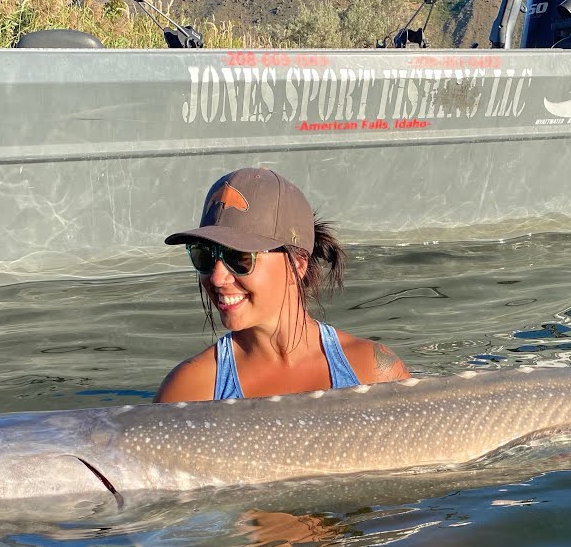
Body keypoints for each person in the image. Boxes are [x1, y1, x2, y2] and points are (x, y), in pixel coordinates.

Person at [155, 168, 410, 402]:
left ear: (298, 263)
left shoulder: (373, 371)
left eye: (239, 257)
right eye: (204, 255)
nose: (216, 277)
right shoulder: (189, 391)